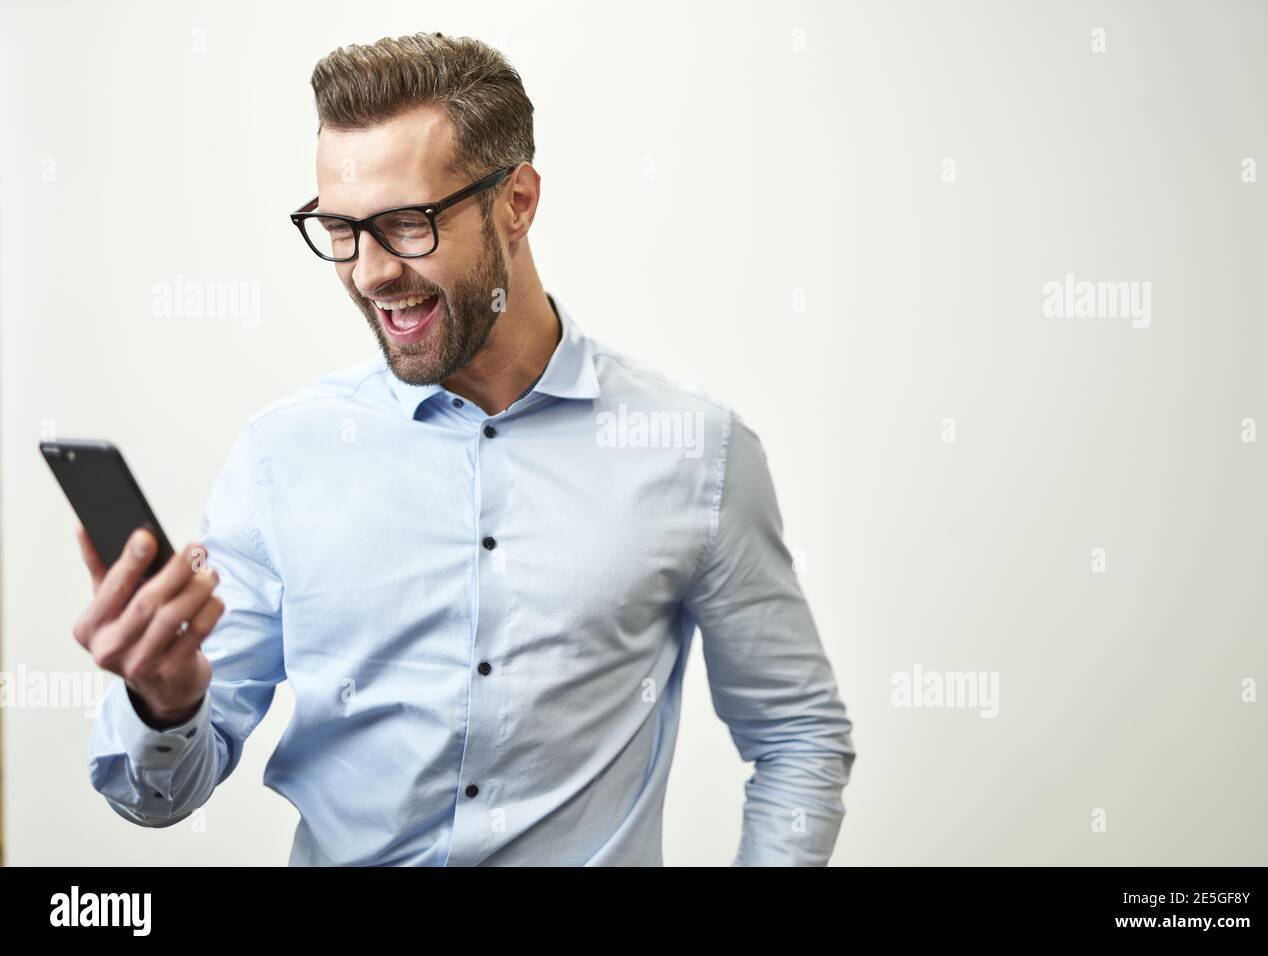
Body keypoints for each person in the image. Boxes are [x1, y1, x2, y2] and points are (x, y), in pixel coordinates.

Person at [74, 31, 854, 866]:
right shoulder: (282, 458)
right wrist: (163, 706)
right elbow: (159, 798)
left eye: (406, 224)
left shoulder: (695, 453)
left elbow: (797, 732)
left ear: (516, 201)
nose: (369, 271)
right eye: (340, 228)